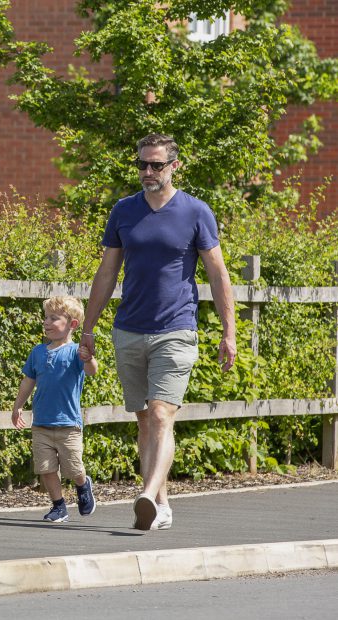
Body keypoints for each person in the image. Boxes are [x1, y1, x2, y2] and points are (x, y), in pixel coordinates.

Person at [80, 133, 236, 531]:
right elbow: (107, 272)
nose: (147, 172)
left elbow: (218, 275)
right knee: (144, 420)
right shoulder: (123, 211)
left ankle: (147, 495)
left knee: (162, 413)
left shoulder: (196, 212)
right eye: (142, 165)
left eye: (156, 165)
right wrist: (88, 328)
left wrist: (228, 332)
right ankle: (161, 504)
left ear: (174, 167)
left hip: (176, 329)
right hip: (129, 329)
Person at [12, 296, 99, 523]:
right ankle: (59, 506)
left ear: (72, 325)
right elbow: (28, 381)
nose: (46, 322)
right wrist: (18, 406)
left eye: (54, 318)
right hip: (41, 423)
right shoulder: (38, 352)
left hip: (68, 424)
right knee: (46, 469)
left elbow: (92, 371)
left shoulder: (75, 352)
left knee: (73, 468)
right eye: (46, 317)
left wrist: (88, 358)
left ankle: (82, 484)